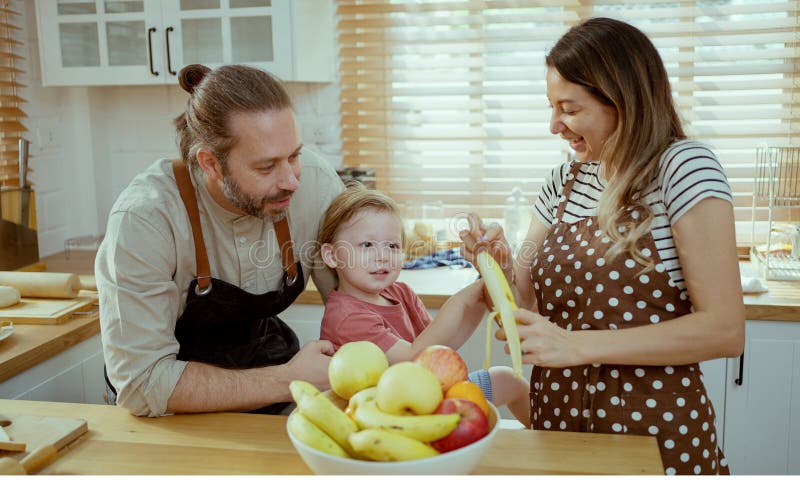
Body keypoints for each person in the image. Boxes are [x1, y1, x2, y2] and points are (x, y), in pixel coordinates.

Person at [459, 18, 745, 475]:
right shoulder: (562, 183)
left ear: (621, 101)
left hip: (653, 431)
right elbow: (524, 306)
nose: (555, 125)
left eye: (569, 109)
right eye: (552, 107)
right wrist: (495, 264)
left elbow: (725, 329)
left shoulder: (682, 167)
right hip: (557, 425)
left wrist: (577, 345)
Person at [96, 64, 345, 417]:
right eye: (266, 166)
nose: (291, 180)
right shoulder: (145, 219)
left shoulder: (316, 185)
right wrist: (289, 379)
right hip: (166, 413)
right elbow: (142, 382)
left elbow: (357, 305)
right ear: (211, 164)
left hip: (268, 374)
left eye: (294, 156)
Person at [318, 182, 531, 424]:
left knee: (510, 381)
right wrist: (461, 300)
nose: (382, 255)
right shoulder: (347, 317)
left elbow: (440, 348)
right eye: (367, 245)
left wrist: (483, 292)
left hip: (426, 394)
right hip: (391, 417)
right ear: (332, 255)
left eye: (392, 245)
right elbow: (413, 359)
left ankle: (548, 441)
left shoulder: (401, 292)